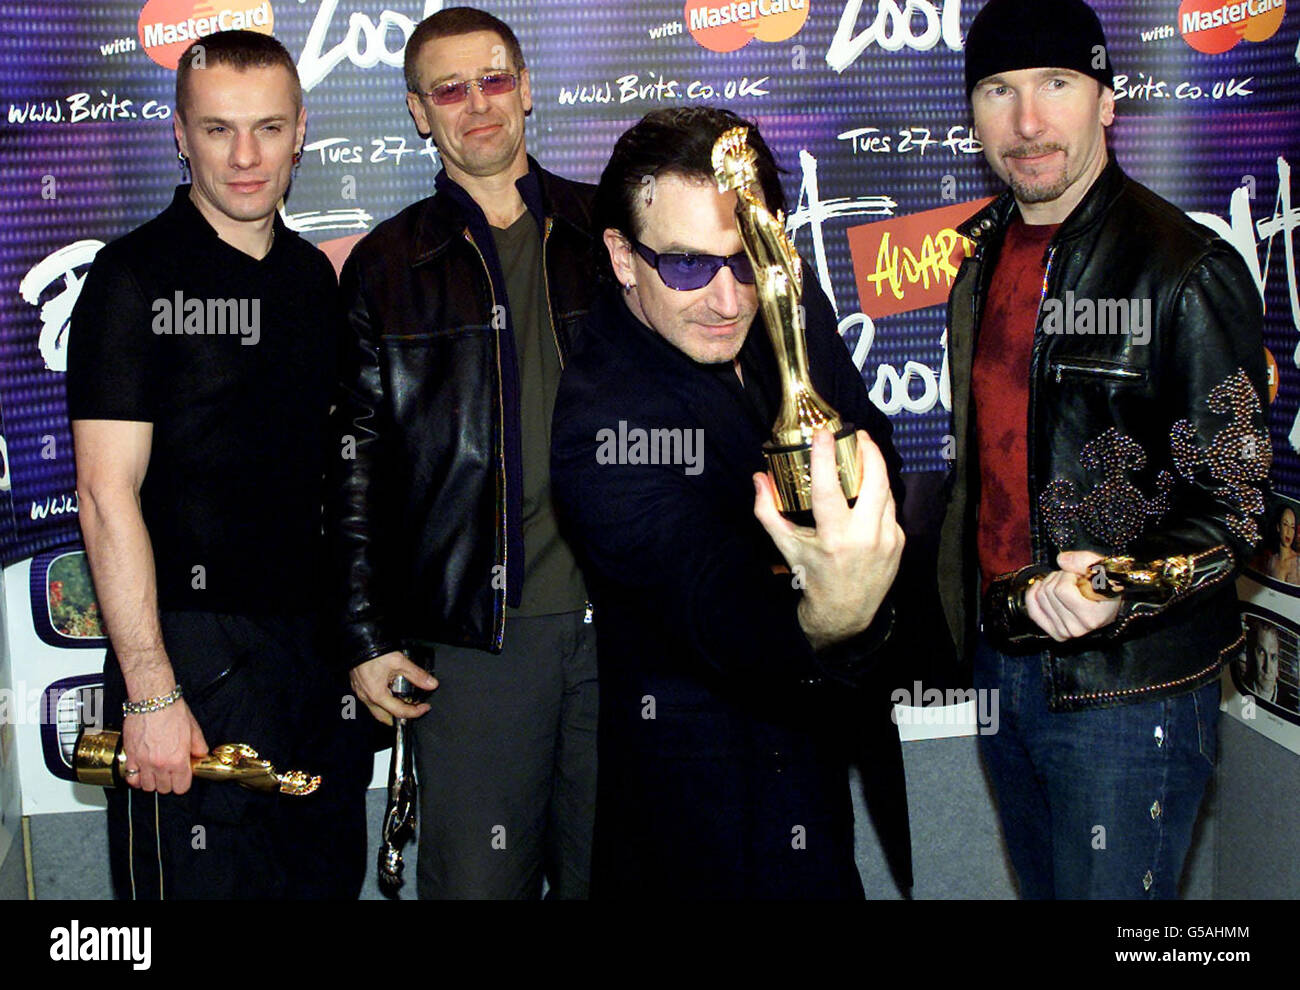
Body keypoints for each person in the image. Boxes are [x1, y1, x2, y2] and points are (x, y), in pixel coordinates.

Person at [938, 0, 1271, 899]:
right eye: (999, 92)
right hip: (1005, 668)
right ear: (973, 114)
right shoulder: (982, 257)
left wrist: (1115, 585)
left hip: (1129, 690)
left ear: (1107, 102)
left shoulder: (1185, 269)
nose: (1029, 121)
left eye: (1057, 85)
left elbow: (1238, 507)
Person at [551, 107, 910, 898]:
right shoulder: (602, 418)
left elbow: (873, 454)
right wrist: (829, 614)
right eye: (684, 266)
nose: (725, 298)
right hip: (696, 829)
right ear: (621, 257)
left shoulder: (790, 320)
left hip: (815, 793)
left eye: (746, 260)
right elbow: (710, 596)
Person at [67, 30, 367, 899]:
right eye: (218, 129)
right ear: (178, 133)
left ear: (302, 131)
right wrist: (152, 693)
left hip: (313, 666)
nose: (245, 156)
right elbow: (101, 492)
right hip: (190, 659)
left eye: (269, 128)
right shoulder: (131, 278)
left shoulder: (314, 278)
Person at [329, 7, 598, 899]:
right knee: (477, 888)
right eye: (449, 89)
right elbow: (353, 464)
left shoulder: (610, 234)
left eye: (492, 80)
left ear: (525, 89)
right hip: (477, 642)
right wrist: (365, 635)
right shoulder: (385, 265)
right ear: (418, 111)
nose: (475, 103)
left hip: (623, 626)